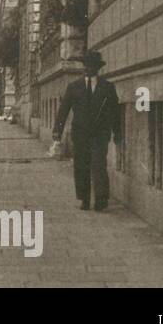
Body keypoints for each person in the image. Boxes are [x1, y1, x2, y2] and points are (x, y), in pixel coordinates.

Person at [52, 50, 121, 211]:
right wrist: (57, 131)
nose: (89, 69)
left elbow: (115, 112)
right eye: (87, 65)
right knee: (81, 166)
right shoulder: (74, 87)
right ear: (84, 67)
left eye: (93, 66)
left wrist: (118, 132)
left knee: (98, 165)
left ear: (98, 68)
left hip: (100, 134)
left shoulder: (107, 87)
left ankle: (101, 199)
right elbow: (63, 110)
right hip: (80, 133)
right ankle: (84, 198)